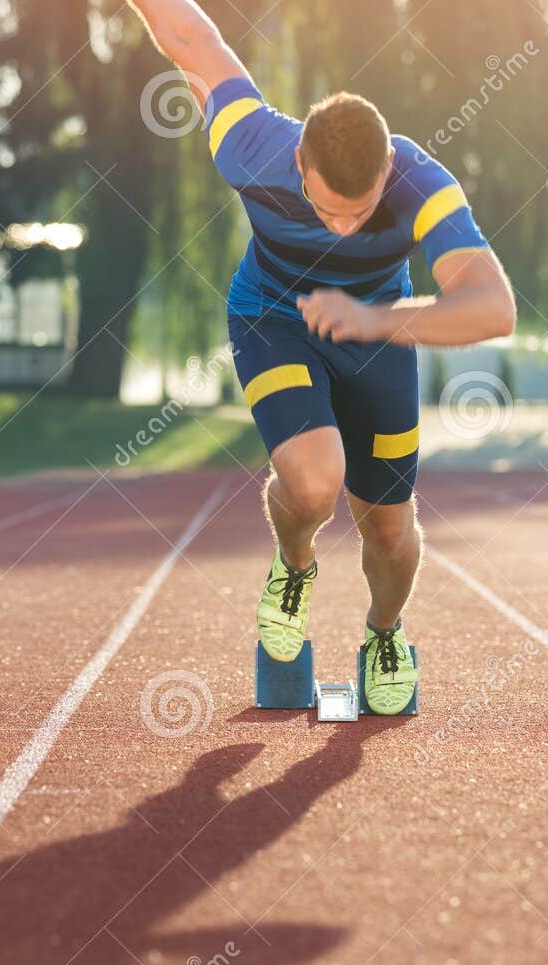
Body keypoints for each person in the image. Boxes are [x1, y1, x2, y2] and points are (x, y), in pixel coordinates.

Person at [127, 0, 516, 714]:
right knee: (314, 482)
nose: (343, 226)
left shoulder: (421, 185)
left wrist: (372, 317)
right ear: (299, 163)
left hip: (377, 337)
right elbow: (190, 34)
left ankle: (384, 632)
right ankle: (295, 566)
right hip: (272, 317)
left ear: (388, 167)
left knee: (391, 531)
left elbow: (495, 308)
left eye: (360, 212)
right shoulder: (252, 145)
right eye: (328, 207)